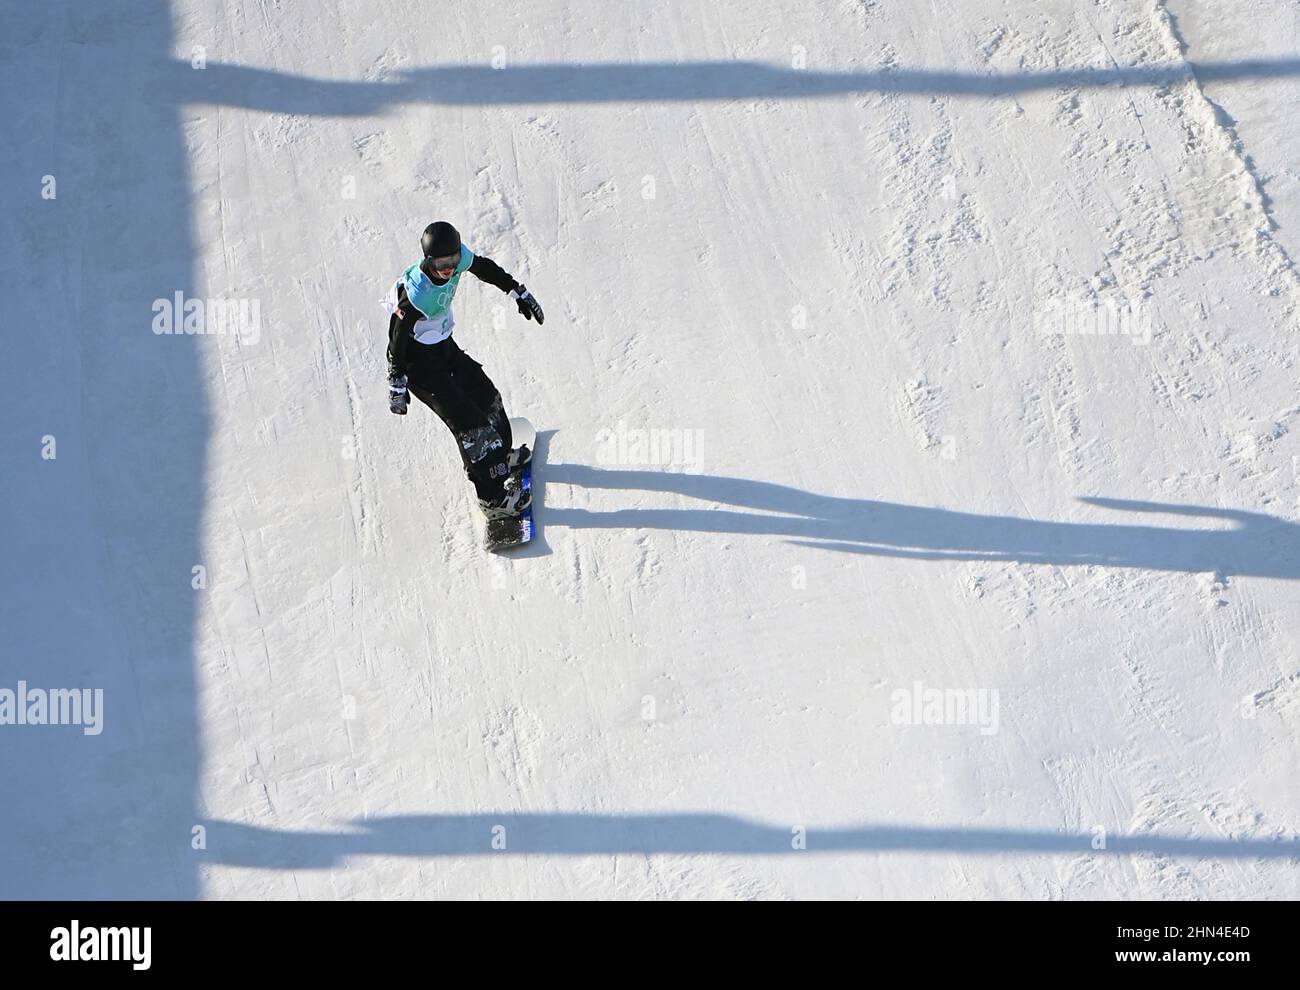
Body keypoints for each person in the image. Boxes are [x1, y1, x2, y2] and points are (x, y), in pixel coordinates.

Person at [383, 221, 544, 518]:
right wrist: (396, 379)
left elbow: (483, 268)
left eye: (453, 261)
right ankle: (492, 499)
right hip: (419, 364)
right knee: (472, 428)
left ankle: (500, 457)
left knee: (487, 397)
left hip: (443, 346)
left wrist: (516, 290)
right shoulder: (418, 293)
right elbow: (398, 335)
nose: (448, 269)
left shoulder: (457, 261)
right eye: (441, 264)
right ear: (429, 260)